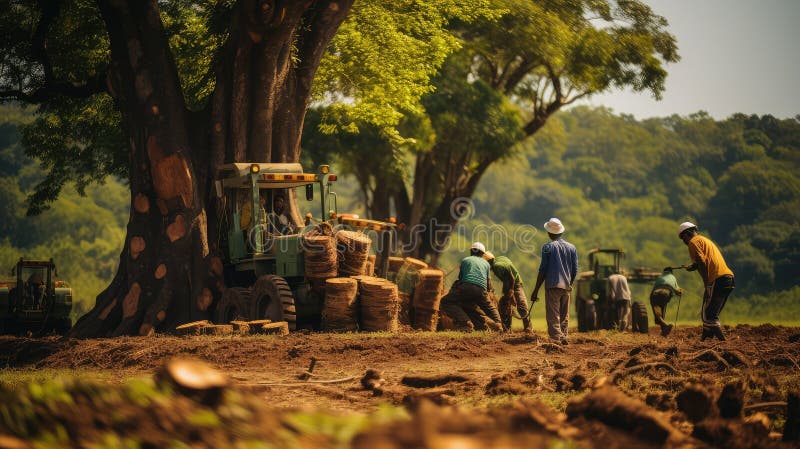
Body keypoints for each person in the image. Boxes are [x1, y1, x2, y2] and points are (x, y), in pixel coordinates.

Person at [678, 222, 734, 341]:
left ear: (687, 234)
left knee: (709, 316)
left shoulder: (693, 242)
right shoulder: (704, 240)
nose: (684, 241)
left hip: (716, 279)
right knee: (710, 312)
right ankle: (704, 342)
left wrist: (706, 283)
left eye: (683, 238)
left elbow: (702, 262)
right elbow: (703, 261)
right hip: (728, 278)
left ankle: (724, 343)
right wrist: (693, 267)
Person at [532, 218, 578, 345]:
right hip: (567, 286)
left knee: (553, 315)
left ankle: (556, 341)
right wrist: (570, 283)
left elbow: (543, 270)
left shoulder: (547, 247)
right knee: (564, 315)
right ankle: (563, 337)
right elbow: (575, 270)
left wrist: (536, 290)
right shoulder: (572, 248)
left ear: (550, 233)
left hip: (553, 285)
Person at [440, 242, 503, 332]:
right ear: (482, 253)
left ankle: (465, 322)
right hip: (481, 290)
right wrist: (487, 295)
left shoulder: (466, 260)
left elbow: (461, 279)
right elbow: (488, 284)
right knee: (490, 308)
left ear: (471, 251)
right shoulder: (487, 265)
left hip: (466, 287)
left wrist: (454, 290)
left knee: (446, 301)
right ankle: (498, 324)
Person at [484, 252, 531, 332]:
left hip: (516, 284)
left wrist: (511, 291)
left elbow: (511, 278)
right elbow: (506, 279)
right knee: (505, 306)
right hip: (510, 285)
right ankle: (507, 329)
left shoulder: (497, 266)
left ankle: (528, 329)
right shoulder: (500, 259)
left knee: (521, 306)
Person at [650, 267, 683, 337]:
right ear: (671, 272)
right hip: (666, 293)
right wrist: (680, 292)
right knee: (662, 310)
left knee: (656, 310)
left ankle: (665, 325)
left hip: (656, 292)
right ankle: (664, 330)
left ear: (664, 272)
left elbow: (655, 287)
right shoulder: (673, 277)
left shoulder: (660, 277)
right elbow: (677, 290)